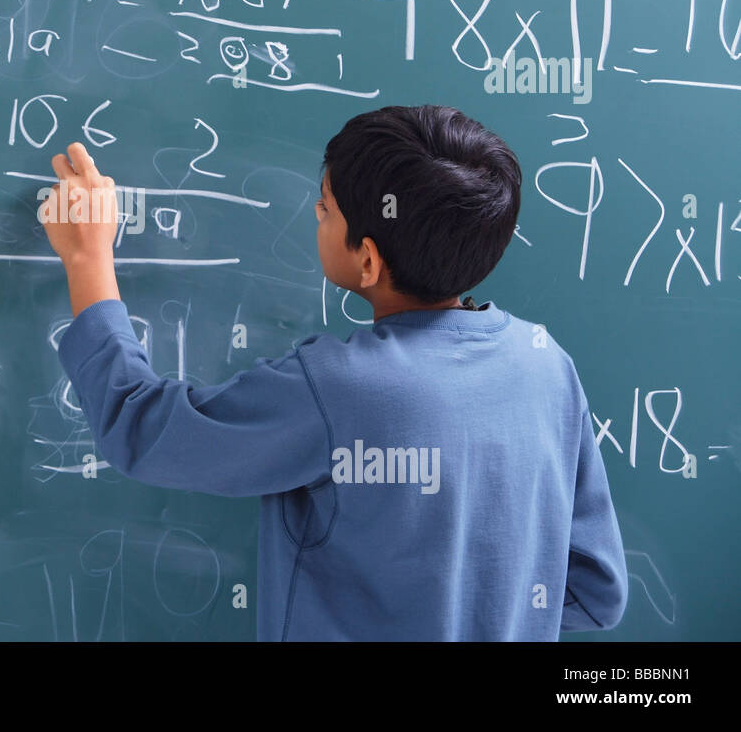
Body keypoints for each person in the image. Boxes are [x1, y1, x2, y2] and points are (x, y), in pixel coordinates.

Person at [39, 104, 627, 641]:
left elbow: (139, 427)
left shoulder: (337, 388)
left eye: (324, 210)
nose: (315, 218)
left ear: (367, 259)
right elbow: (596, 592)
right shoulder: (546, 364)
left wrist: (89, 259)